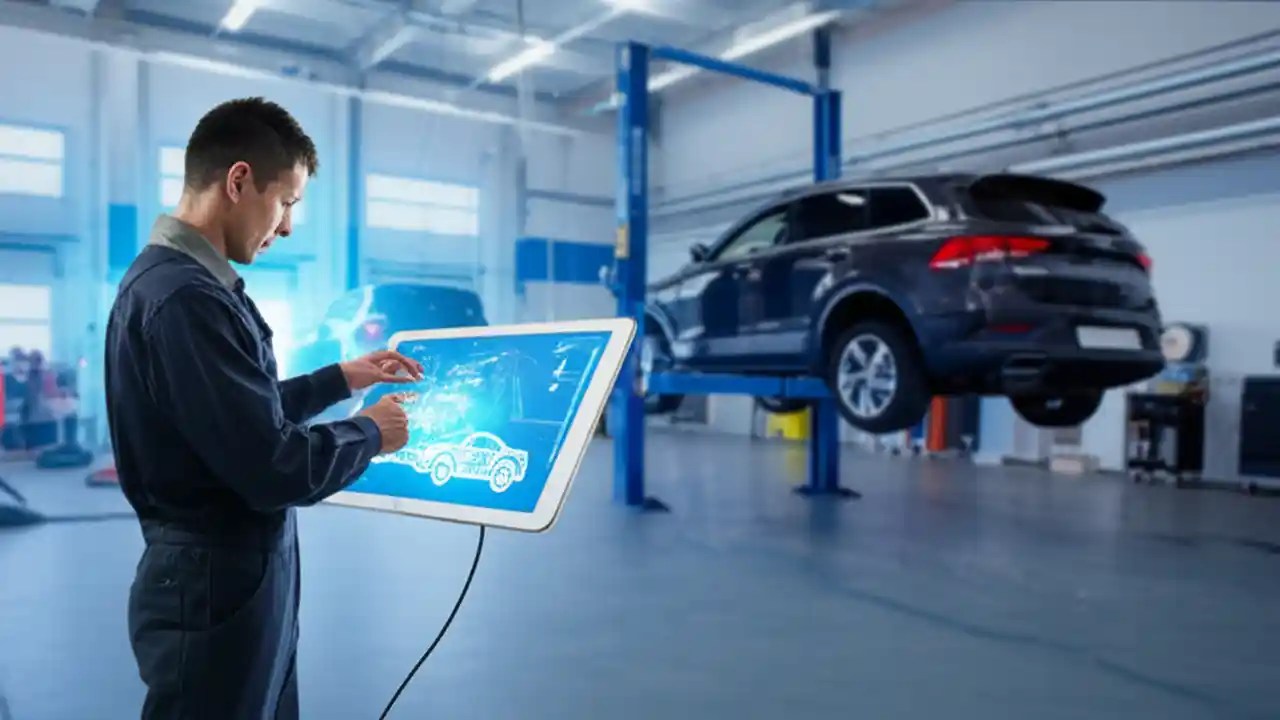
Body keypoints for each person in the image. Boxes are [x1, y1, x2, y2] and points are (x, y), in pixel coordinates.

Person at [104, 97, 422, 719]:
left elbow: (233, 414)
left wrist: (340, 379)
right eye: (287, 203)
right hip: (211, 580)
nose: (287, 227)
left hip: (231, 576)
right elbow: (270, 464)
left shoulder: (184, 287)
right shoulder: (184, 300)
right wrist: (369, 434)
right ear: (239, 180)